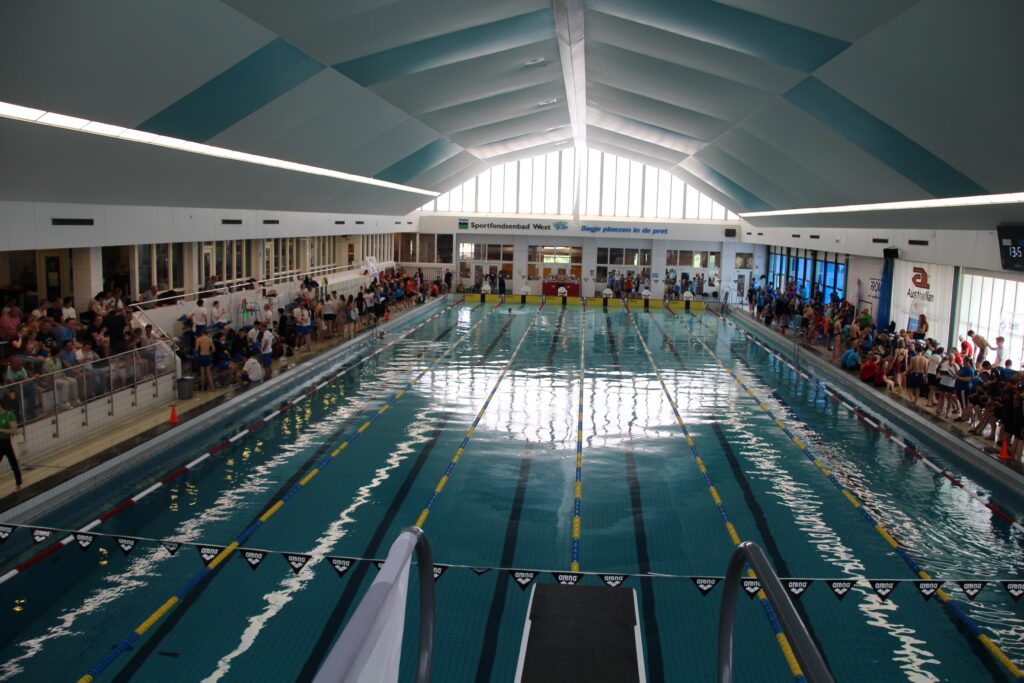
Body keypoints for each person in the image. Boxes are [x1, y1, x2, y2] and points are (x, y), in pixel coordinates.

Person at [0, 404, 21, 491]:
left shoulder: (9, 415)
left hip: (9, 444)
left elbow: (14, 430)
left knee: (14, 465)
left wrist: (1, 430)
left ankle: (18, 485)